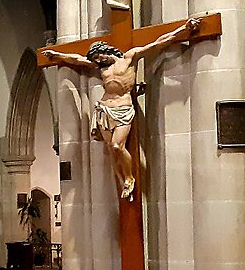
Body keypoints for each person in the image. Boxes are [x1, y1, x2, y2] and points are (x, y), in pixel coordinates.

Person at [41, 16, 201, 201]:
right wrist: (57, 56)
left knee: (118, 146)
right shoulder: (101, 68)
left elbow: (158, 43)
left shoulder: (129, 57)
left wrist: (183, 29)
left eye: (98, 55)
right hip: (104, 109)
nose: (98, 60)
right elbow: (77, 60)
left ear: (105, 50)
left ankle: (129, 177)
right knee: (111, 149)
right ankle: (122, 181)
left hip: (123, 108)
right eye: (95, 58)